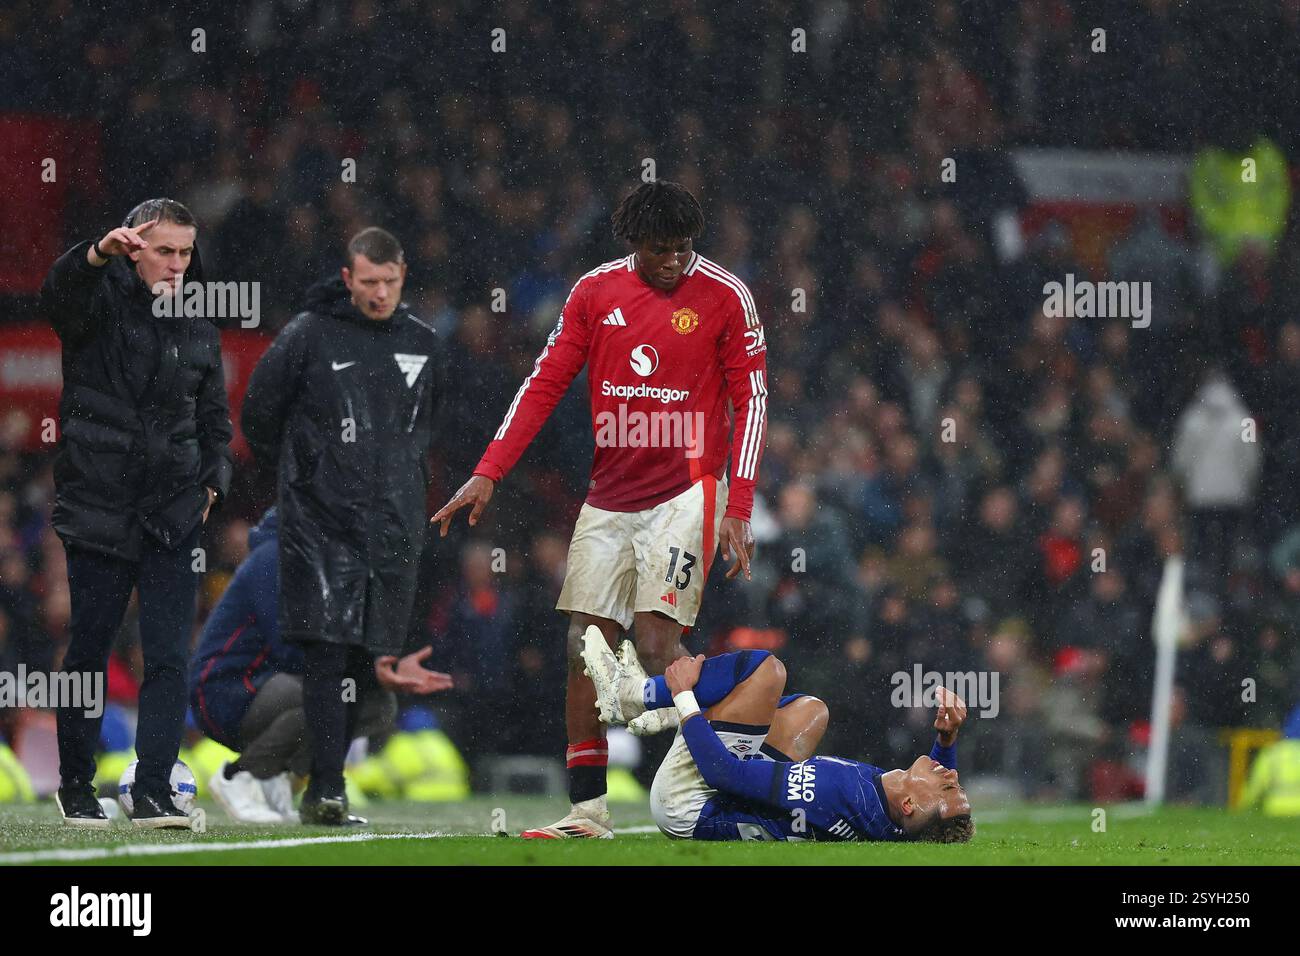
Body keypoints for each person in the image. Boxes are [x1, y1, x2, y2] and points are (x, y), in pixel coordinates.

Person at [432, 180, 769, 838]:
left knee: (653, 643)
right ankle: (587, 809)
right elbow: (546, 380)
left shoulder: (727, 296)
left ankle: (721, 765)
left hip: (688, 491)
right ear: (632, 244)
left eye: (682, 249)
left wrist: (740, 503)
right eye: (659, 251)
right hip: (610, 496)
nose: (673, 261)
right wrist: (488, 472)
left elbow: (751, 399)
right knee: (583, 648)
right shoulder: (595, 292)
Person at [40, 198, 233, 828]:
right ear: (133, 247)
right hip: (99, 503)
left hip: (173, 511)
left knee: (170, 655)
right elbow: (54, 300)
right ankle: (76, 786)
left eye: (185, 253)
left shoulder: (200, 320)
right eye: (165, 252)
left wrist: (213, 484)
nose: (178, 265)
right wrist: (95, 253)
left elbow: (215, 422)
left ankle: (152, 789)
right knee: (90, 652)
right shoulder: (96, 301)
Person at [241, 228, 444, 825]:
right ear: (347, 277)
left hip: (392, 528)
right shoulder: (309, 334)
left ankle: (318, 780)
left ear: (403, 274)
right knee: (325, 655)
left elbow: (429, 429)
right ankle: (325, 789)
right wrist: (308, 475)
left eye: (390, 281)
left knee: (368, 662)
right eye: (369, 282)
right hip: (320, 526)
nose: (379, 293)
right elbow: (258, 415)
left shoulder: (424, 344)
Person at [581, 630, 974, 842]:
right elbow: (934, 815)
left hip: (690, 805)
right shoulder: (893, 818)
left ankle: (632, 696)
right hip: (728, 797)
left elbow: (724, 775)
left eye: (947, 789)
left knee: (764, 670)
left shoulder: (834, 793)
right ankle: (673, 710)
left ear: (907, 804)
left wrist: (685, 697)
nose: (954, 777)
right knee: (811, 711)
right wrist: (946, 741)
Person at [188, 508, 452, 824]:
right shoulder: (273, 558)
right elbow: (290, 648)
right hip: (223, 691)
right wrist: (363, 670)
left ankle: (282, 782)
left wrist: (383, 668)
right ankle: (239, 777)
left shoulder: (315, 562)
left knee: (376, 705)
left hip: (270, 683)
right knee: (331, 695)